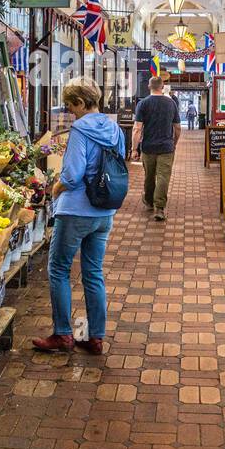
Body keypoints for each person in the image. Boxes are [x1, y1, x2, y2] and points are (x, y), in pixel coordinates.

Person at [32, 78, 123, 355]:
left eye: (72, 106)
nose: (71, 112)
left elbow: (72, 175)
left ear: (82, 103)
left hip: (75, 211)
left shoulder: (81, 130)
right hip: (104, 210)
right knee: (93, 272)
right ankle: (95, 337)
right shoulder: (114, 128)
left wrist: (54, 188)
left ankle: (62, 334)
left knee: (59, 269)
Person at [131, 76, 180, 220]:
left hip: (148, 147)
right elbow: (177, 128)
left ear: (149, 86)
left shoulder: (143, 104)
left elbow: (137, 129)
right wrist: (174, 143)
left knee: (149, 176)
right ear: (163, 86)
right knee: (163, 177)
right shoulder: (171, 104)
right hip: (166, 147)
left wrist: (134, 149)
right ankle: (159, 208)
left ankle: (149, 202)